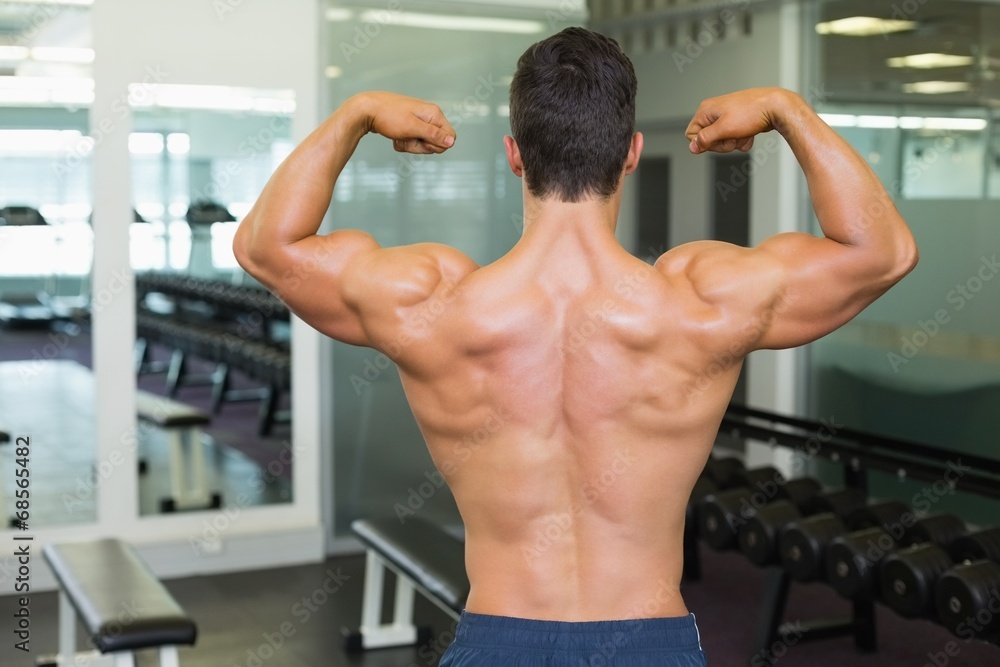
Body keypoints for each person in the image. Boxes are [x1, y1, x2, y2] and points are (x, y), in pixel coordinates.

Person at [234, 26, 917, 667]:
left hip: (498, 637)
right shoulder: (702, 300)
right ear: (631, 154)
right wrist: (785, 109)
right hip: (646, 641)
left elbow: (267, 247)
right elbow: (882, 252)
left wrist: (355, 114)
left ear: (514, 155)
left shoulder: (432, 302)